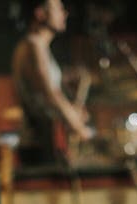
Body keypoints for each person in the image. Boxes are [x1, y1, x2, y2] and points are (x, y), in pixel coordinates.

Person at [11, 0, 93, 166]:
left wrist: (72, 108)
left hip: (47, 138)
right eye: (59, 8)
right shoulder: (34, 46)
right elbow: (50, 93)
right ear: (41, 13)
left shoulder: (39, 46)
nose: (64, 13)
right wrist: (78, 125)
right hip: (40, 141)